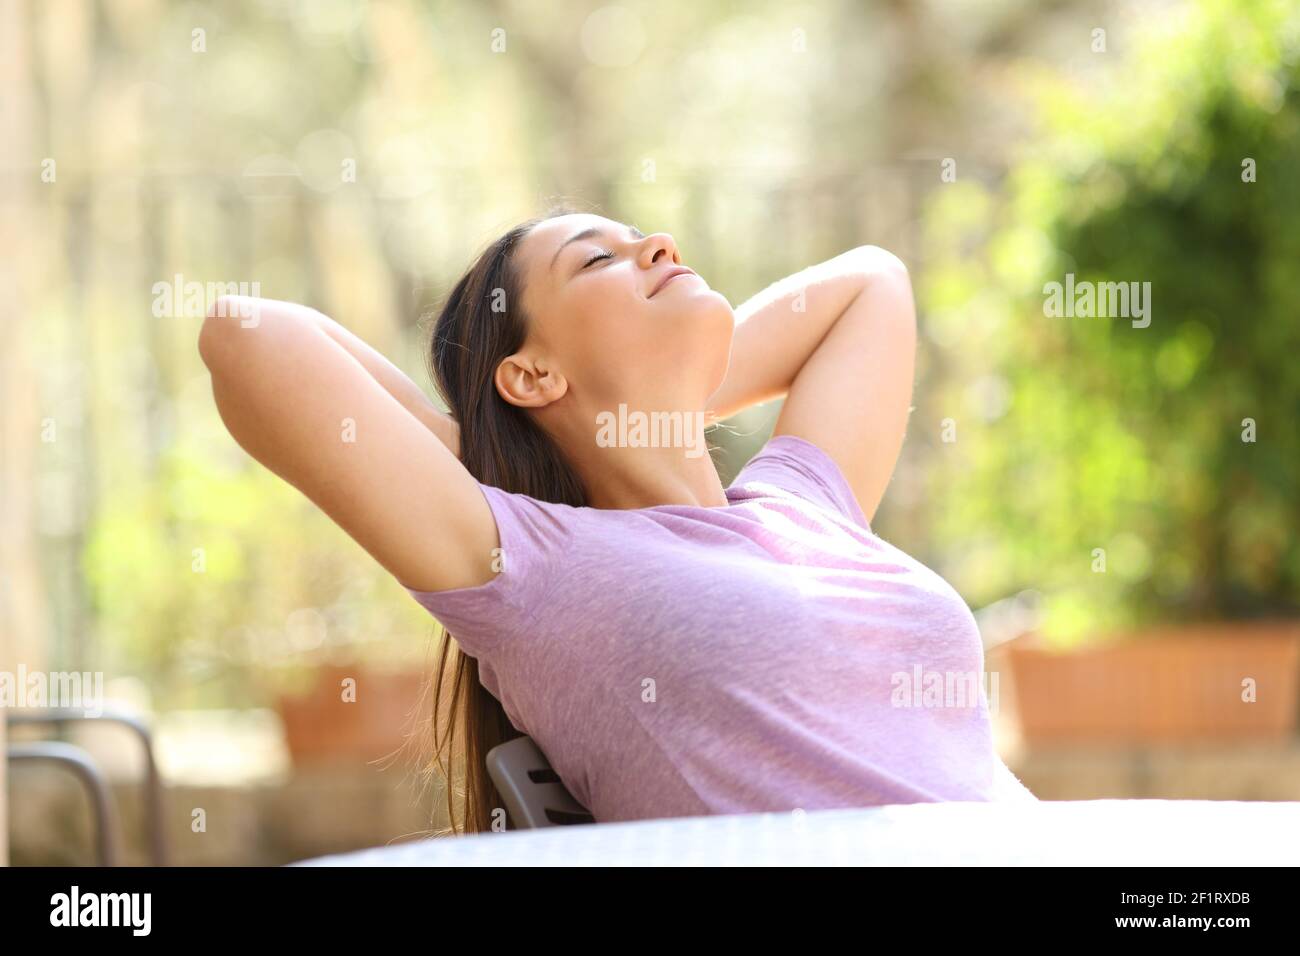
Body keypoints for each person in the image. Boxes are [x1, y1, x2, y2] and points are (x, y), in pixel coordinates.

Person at [199, 206, 1036, 834]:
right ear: (529, 376)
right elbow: (246, 336)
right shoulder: (536, 569)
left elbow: (872, 282)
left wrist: (648, 397)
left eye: (646, 242)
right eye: (599, 258)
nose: (660, 245)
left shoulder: (803, 504)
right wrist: (500, 444)